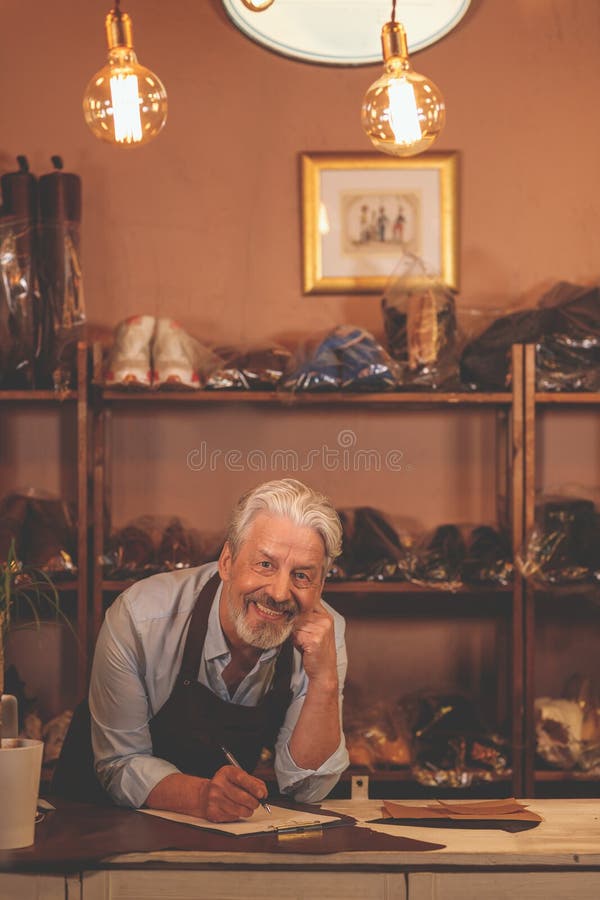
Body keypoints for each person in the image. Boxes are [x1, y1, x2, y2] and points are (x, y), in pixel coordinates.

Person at [83, 479, 349, 822]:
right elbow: (119, 764)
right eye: (265, 565)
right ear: (227, 561)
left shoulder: (324, 635)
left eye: (301, 575)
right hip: (103, 825)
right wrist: (200, 796)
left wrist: (324, 680)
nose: (280, 593)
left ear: (321, 585)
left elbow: (308, 788)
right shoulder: (140, 618)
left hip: (232, 830)